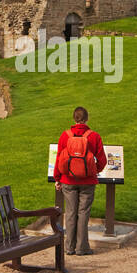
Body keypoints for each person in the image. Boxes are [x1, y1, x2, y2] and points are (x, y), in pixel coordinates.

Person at [55, 106, 107, 256]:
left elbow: (59, 158)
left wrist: (58, 178)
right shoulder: (94, 136)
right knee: (83, 213)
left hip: (68, 181)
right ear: (87, 118)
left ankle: (69, 247)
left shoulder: (65, 135)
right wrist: (93, 171)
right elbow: (102, 160)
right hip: (88, 181)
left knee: (70, 212)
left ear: (74, 118)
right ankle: (82, 247)